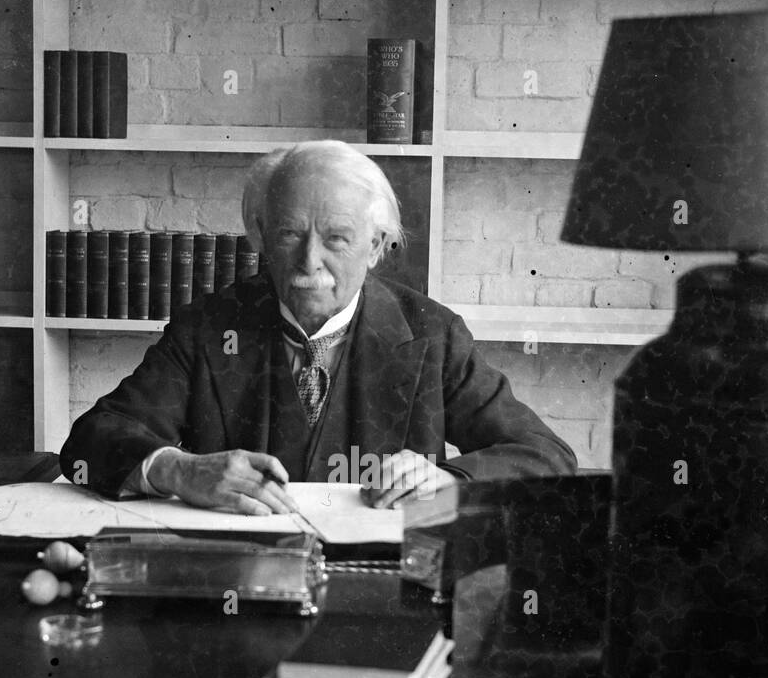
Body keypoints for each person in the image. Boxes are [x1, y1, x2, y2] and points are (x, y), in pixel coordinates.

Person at [60, 140, 576, 514]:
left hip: (381, 590)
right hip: (240, 585)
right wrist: (178, 469)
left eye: (336, 238)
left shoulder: (432, 336)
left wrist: (449, 478)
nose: (310, 261)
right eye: (289, 233)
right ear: (260, 236)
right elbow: (91, 440)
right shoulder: (207, 327)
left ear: (376, 247)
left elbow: (545, 455)